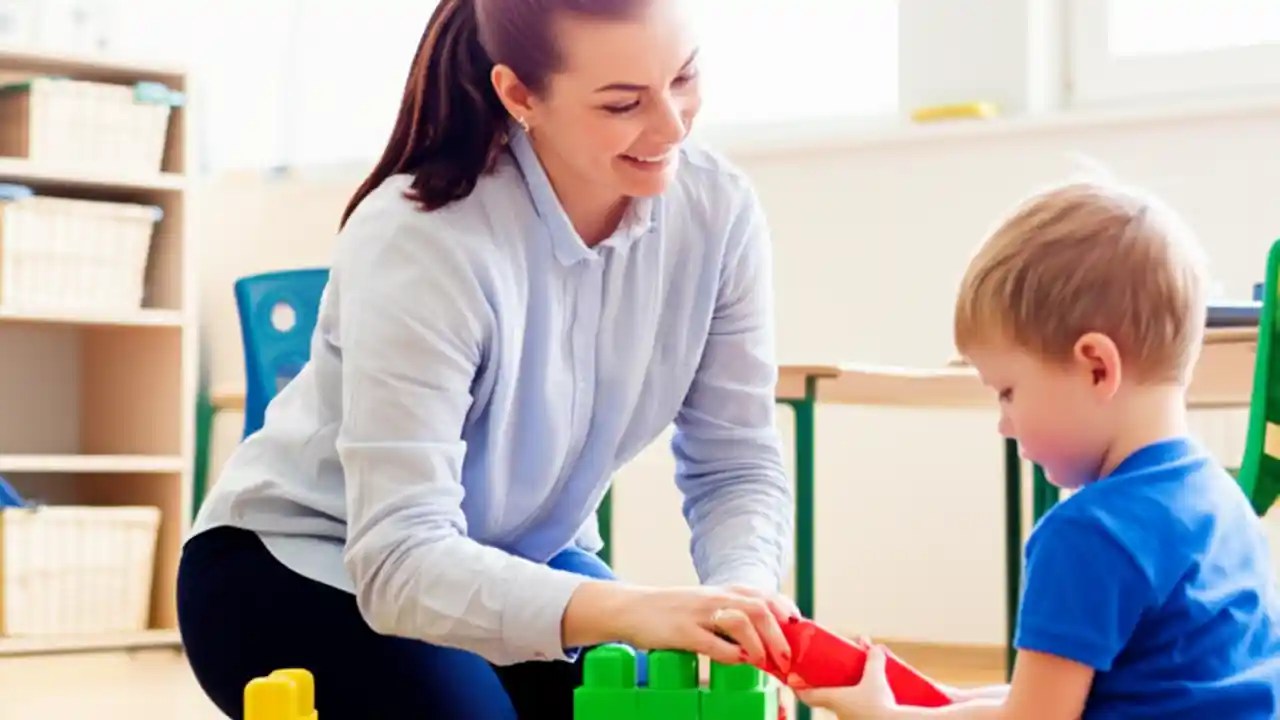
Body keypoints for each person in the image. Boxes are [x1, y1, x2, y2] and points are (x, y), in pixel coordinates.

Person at [176, 0, 798, 717]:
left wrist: (744, 601)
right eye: (623, 103)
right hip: (310, 567)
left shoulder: (717, 212)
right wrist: (632, 608)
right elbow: (402, 559)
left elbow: (736, 462)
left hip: (521, 558)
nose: (672, 126)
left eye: (684, 77)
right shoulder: (422, 239)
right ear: (519, 95)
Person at [799, 180, 1280, 718]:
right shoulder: (1223, 500)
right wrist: (946, 703)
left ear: (1097, 366)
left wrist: (885, 717)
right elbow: (1080, 695)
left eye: (1008, 392)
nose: (1004, 423)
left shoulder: (1089, 533)